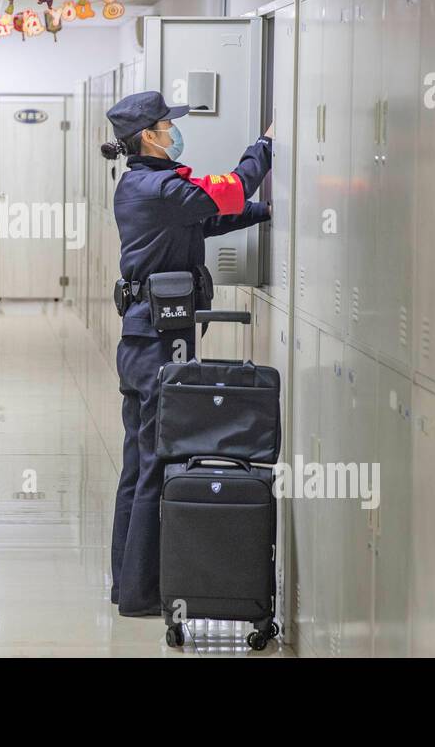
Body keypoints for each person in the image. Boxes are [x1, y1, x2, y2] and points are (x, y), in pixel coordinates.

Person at [100, 91, 274, 616]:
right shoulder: (160, 185)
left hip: (143, 339)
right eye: (166, 124)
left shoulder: (147, 186)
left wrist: (266, 213)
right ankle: (141, 593)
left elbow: (209, 219)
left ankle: (128, 586)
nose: (174, 130)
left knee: (140, 465)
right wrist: (264, 145)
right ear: (148, 136)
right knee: (156, 462)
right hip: (156, 343)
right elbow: (231, 187)